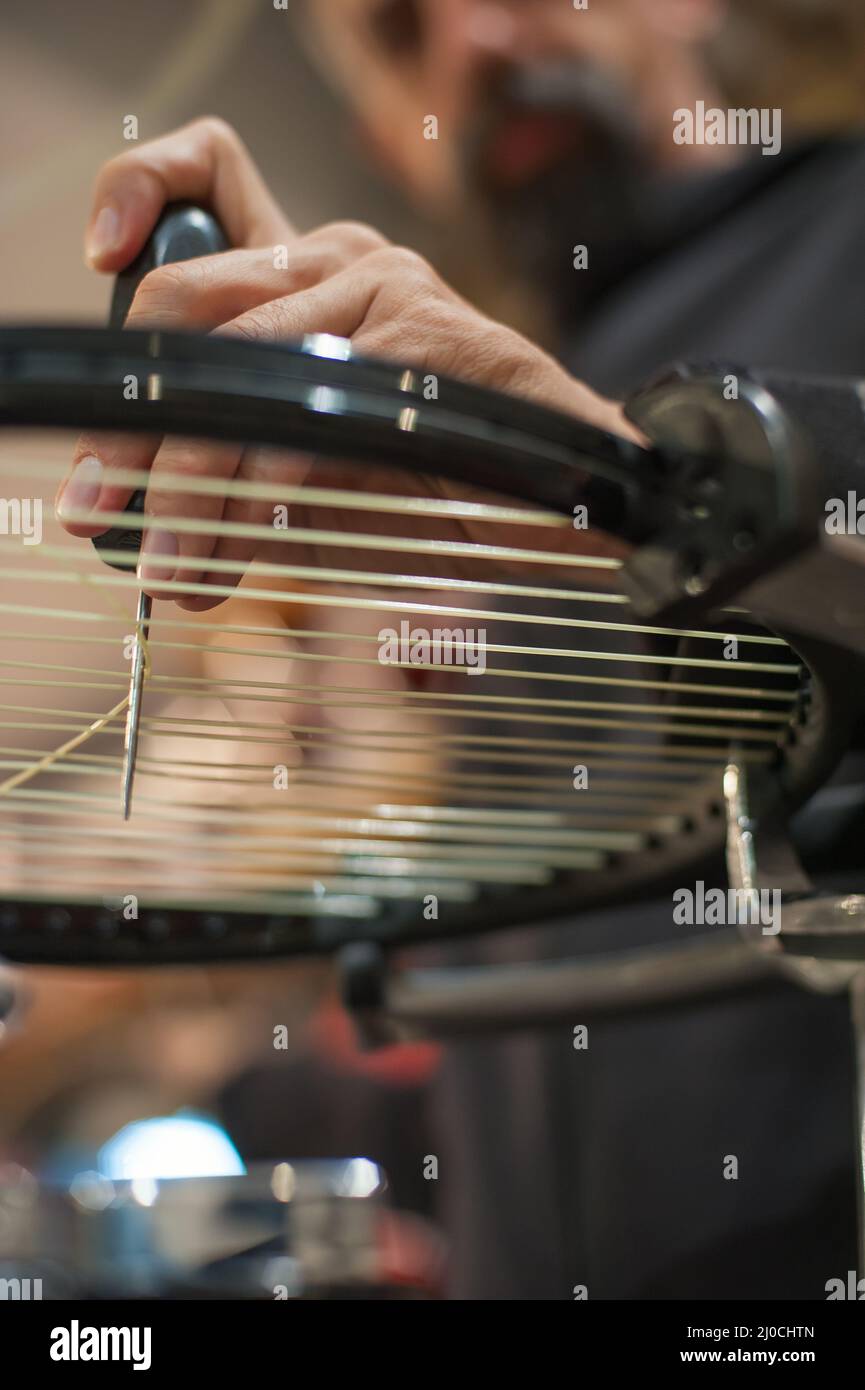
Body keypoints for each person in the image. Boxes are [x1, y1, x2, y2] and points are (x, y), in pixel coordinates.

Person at [59, 0, 865, 1297]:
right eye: (399, 34)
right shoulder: (471, 421)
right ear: (391, 134)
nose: (476, 43)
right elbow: (542, 977)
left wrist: (626, 483)